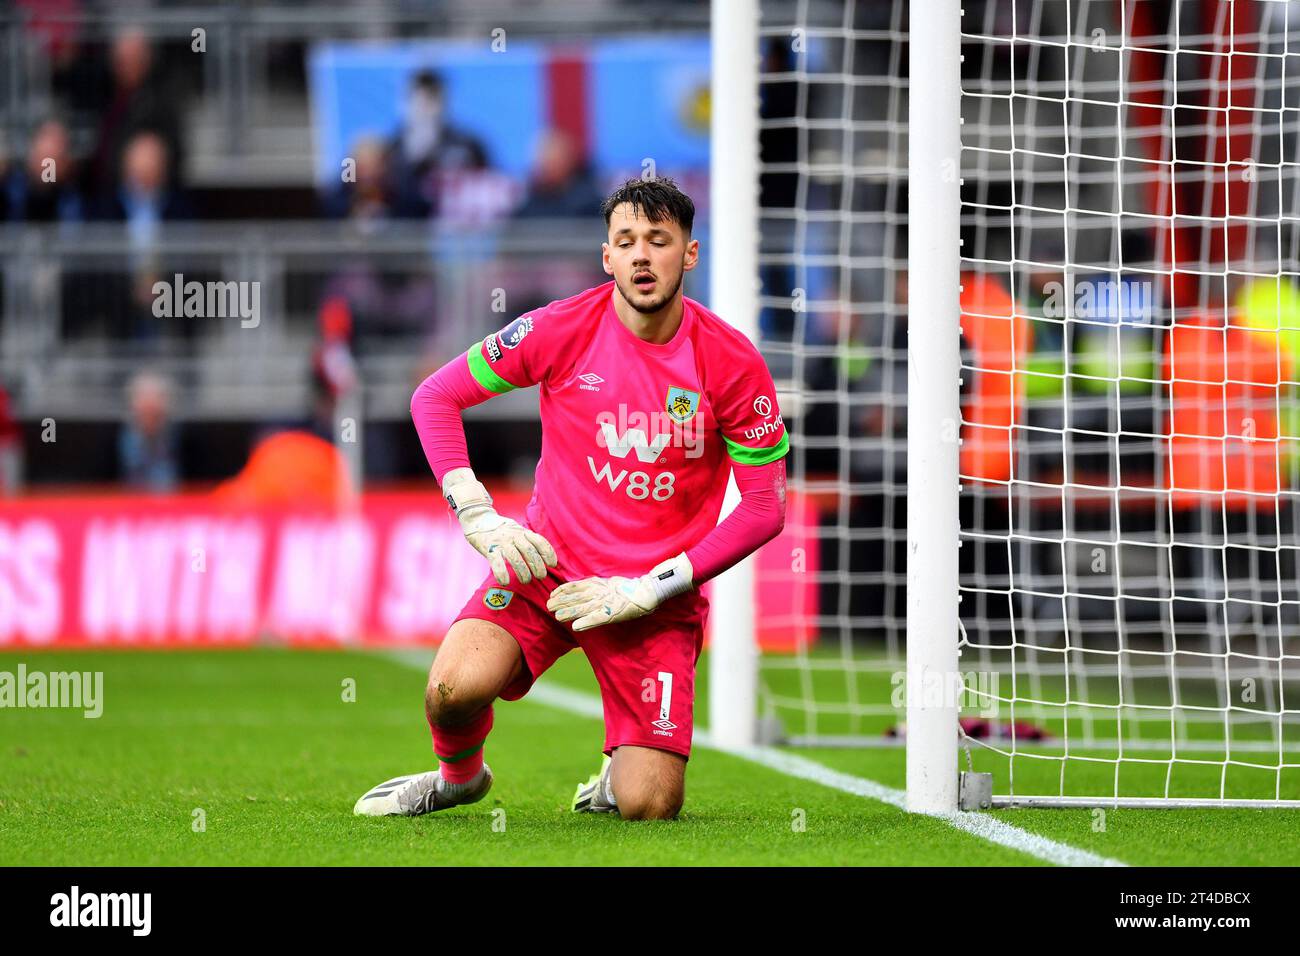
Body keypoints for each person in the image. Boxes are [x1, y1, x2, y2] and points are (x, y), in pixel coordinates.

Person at [355, 177, 788, 821]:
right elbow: (434, 397)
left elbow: (764, 507)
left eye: (659, 241)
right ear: (606, 257)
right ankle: (458, 777)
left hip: (652, 597)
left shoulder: (730, 363)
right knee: (451, 688)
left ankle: (621, 775)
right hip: (547, 566)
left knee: (650, 806)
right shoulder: (559, 328)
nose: (643, 256)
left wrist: (656, 584)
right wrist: (476, 513)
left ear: (689, 254)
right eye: (627, 242)